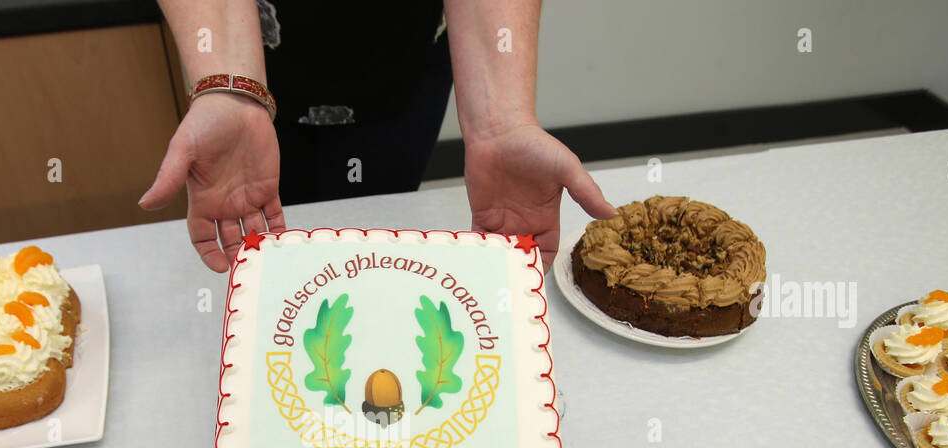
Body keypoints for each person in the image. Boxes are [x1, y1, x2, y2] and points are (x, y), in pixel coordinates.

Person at [140, 0, 615, 273]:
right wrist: (231, 88)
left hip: (402, 57)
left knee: (377, 241)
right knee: (271, 265)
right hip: (252, 60)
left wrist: (502, 122)